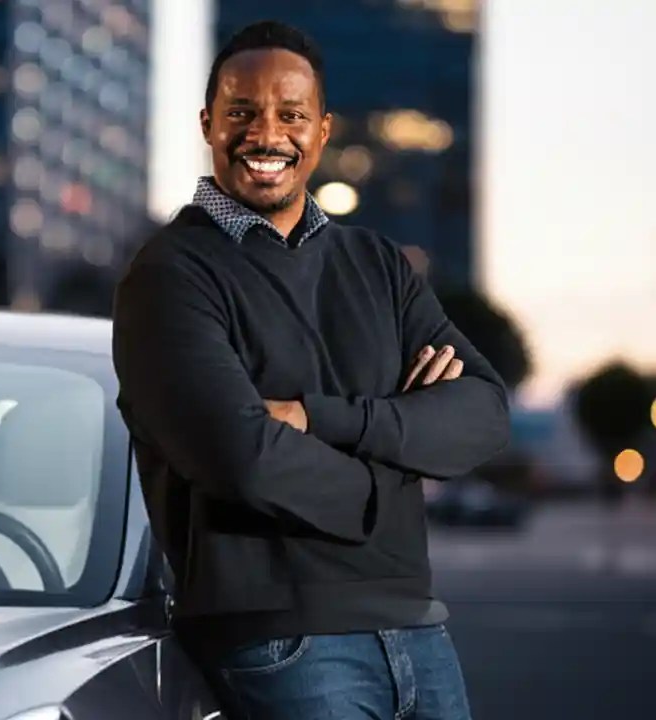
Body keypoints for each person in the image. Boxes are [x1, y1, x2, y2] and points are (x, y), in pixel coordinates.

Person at [111, 20, 511, 720]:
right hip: (281, 640)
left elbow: (482, 414)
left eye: (291, 115)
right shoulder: (171, 276)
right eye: (242, 113)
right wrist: (397, 469)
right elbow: (245, 458)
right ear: (208, 123)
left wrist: (318, 418)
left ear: (322, 132)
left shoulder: (380, 266)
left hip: (419, 632)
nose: (268, 135)